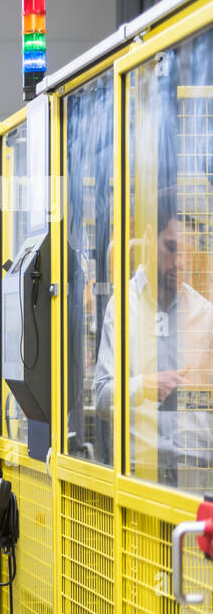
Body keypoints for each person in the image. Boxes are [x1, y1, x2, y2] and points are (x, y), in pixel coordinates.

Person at [94, 202, 213, 488]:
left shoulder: (205, 314)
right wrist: (144, 386)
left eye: (187, 253)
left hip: (196, 473)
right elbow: (101, 398)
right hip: (140, 474)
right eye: (171, 248)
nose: (180, 263)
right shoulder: (123, 308)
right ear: (149, 237)